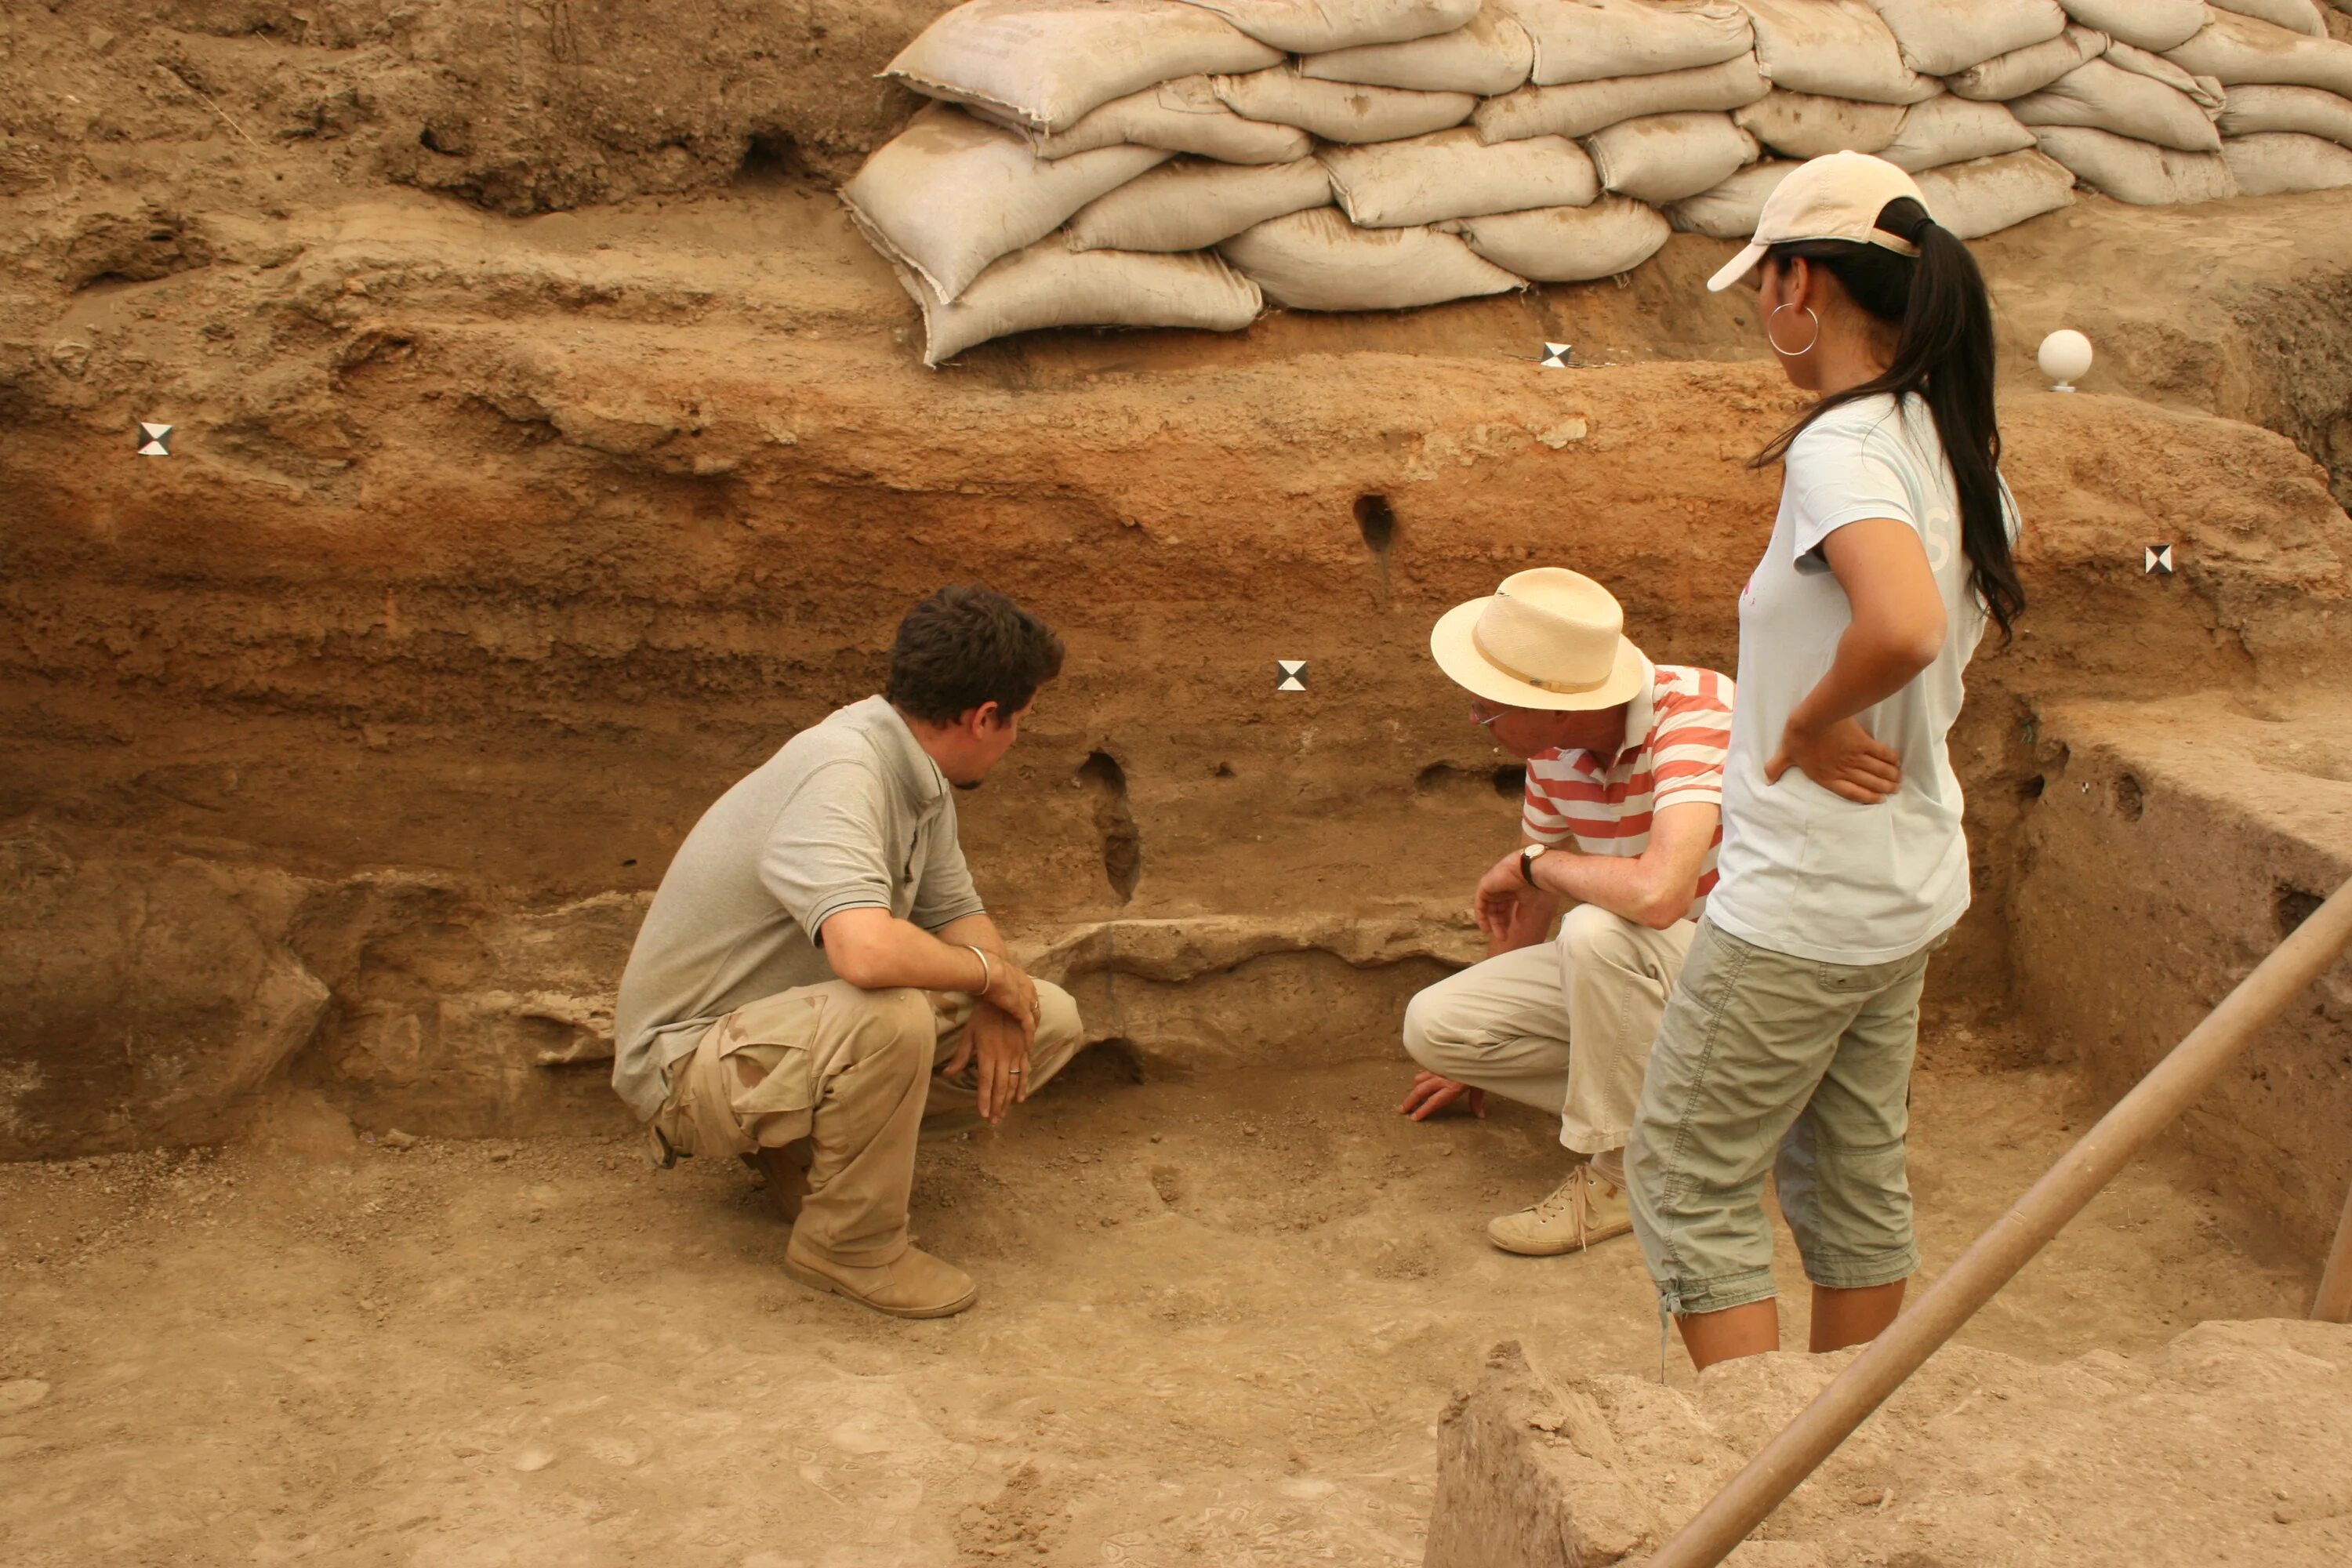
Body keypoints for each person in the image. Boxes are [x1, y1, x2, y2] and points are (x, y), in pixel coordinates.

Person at [1625, 153, 2026, 1369]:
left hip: (1803, 898)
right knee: (1851, 1178)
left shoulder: (1842, 445)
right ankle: (1840, 1444)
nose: (1762, 314)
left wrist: (1807, 719)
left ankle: (1761, 1479)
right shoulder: (1958, 447)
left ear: (1801, 281)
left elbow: (1900, 626)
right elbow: (1950, 625)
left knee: (1687, 1176)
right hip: (1899, 884)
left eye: (1764, 284)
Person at [610, 585, 1089, 1320]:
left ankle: (801, 1154)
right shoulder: (845, 771)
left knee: (1045, 1017)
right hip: (684, 1069)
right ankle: (848, 1245)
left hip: (780, 1037)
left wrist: (1001, 989)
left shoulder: (914, 775)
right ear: (984, 716)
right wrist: (988, 975)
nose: (1017, 738)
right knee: (890, 1013)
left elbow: (960, 913)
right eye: (1020, 721)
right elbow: (864, 954)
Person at [1399, 566, 1733, 1255]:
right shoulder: (1558, 746)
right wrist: (1478, 1058)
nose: (1473, 718)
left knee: (1599, 929)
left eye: (1488, 707)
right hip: (1664, 977)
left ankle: (1624, 1176)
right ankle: (1706, 1131)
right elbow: (1533, 899)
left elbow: (1658, 895)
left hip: (1745, 976)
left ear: (1556, 706)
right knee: (1439, 1026)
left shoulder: (1699, 714)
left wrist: (1536, 862)